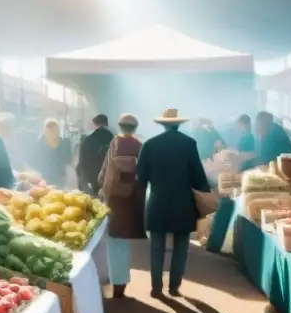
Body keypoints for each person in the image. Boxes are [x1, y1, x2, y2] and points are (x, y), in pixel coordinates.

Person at [136, 109, 211, 297]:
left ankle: (156, 287)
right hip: (183, 204)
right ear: (179, 124)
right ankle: (174, 286)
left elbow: (141, 178)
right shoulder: (189, 144)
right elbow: (199, 179)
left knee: (157, 247)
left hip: (157, 202)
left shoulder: (150, 145)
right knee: (181, 247)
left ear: (162, 124)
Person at [99, 113, 145, 298]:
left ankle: (115, 281)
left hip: (114, 198)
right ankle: (123, 282)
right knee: (124, 243)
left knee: (112, 240)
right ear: (135, 128)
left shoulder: (114, 143)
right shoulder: (140, 146)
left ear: (119, 126)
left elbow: (105, 171)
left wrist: (101, 187)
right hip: (131, 200)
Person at [76, 114, 114, 196]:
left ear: (94, 124)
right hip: (109, 178)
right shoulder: (114, 138)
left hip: (92, 178)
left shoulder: (88, 139)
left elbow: (82, 160)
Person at [29, 119, 73, 188]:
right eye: (49, 129)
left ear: (58, 130)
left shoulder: (65, 144)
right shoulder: (39, 145)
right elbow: (33, 162)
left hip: (60, 180)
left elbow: (69, 162)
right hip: (42, 181)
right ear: (44, 131)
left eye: (54, 129)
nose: (52, 131)